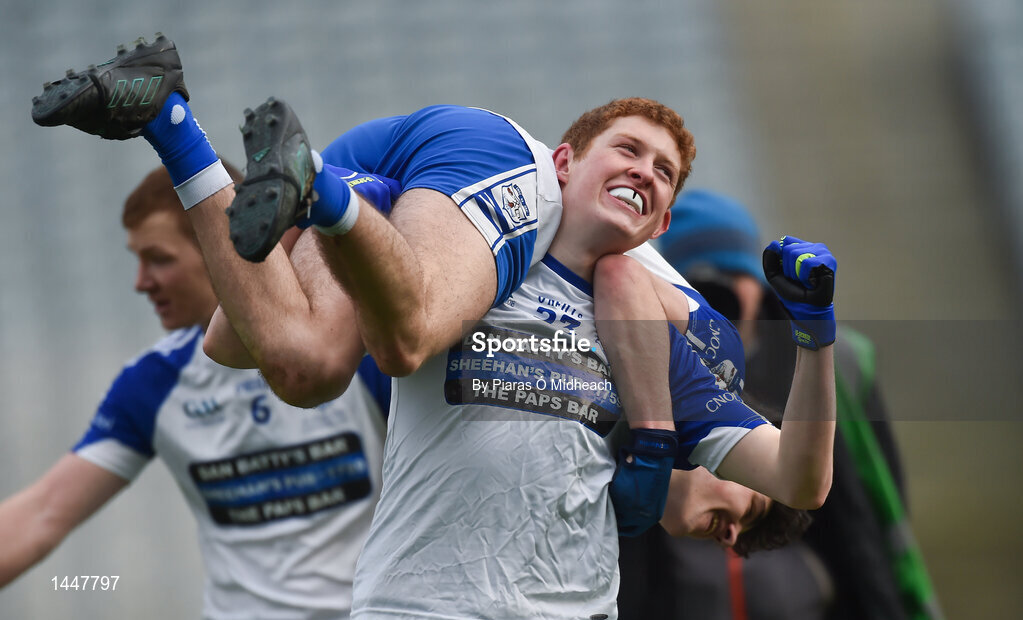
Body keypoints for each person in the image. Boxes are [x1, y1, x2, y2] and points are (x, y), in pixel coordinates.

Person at [32, 36, 837, 618]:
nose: (717, 526)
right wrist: (665, 429)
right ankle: (323, 192)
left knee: (289, 361)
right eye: (738, 510)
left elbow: (798, 478)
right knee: (409, 332)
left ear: (661, 214)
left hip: (394, 195)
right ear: (567, 160)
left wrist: (815, 334)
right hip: (477, 163)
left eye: (663, 175)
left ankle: (172, 122)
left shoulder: (628, 365)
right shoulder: (693, 338)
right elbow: (628, 279)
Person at [0, 165, 390, 619]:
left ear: (220, 246)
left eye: (159, 259)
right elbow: (43, 513)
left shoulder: (358, 352)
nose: (140, 282)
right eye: (138, 260)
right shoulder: (154, 381)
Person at [617, 189, 942, 620]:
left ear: (756, 276)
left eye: (732, 276)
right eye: (699, 282)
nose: (720, 294)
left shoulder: (837, 360)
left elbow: (873, 505)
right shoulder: (649, 353)